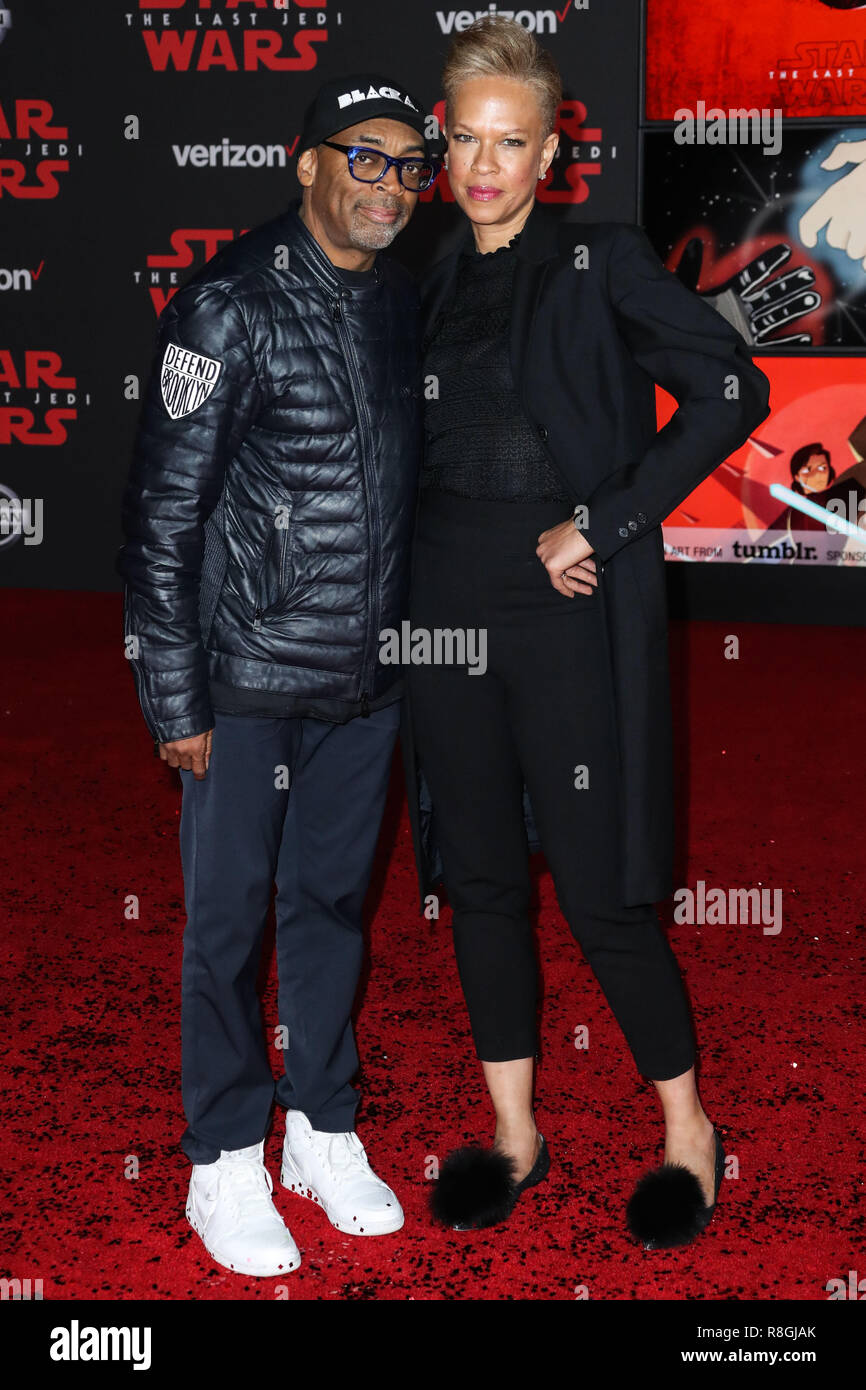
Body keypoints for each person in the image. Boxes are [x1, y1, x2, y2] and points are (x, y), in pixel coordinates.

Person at [401, 16, 772, 1249]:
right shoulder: (423, 266)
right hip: (439, 605)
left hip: (557, 604)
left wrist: (601, 525)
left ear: (552, 146)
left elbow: (732, 389)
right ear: (444, 146)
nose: (487, 164)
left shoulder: (600, 260)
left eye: (512, 140)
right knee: (481, 880)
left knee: (602, 887)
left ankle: (686, 1132)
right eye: (467, 139)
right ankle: (515, 1135)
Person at [116, 73, 440, 1277]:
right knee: (225, 925)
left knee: (332, 908)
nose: (389, 184)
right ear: (303, 162)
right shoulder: (225, 302)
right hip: (244, 676)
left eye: (409, 165)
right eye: (364, 157)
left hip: (364, 678)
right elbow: (161, 513)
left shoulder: (399, 301)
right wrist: (175, 693)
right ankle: (220, 1155)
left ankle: (320, 1120)